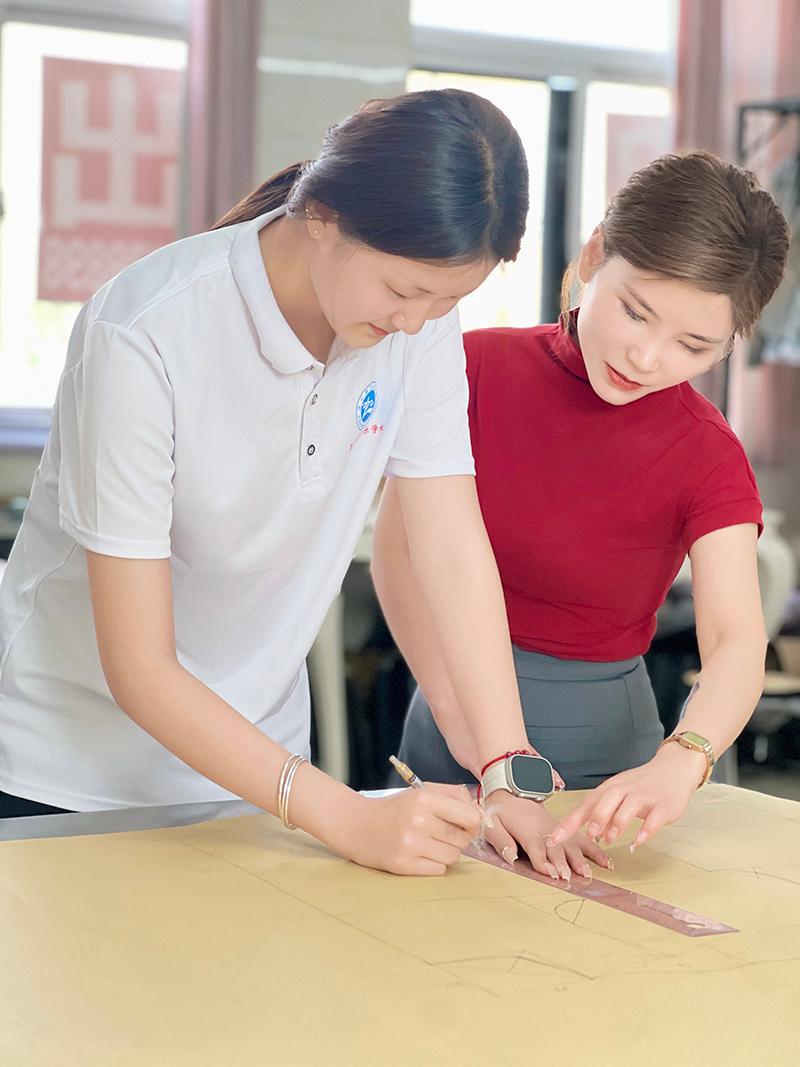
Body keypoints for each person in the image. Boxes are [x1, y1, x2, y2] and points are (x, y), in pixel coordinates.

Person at [0, 87, 549, 877]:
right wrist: (346, 814)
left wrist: (507, 767)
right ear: (322, 215)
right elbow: (140, 667)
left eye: (448, 300)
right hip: (73, 778)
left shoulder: (418, 324)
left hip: (260, 782)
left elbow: (453, 549)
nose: (416, 321)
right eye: (402, 292)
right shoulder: (145, 333)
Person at [374, 150, 790, 879]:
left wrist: (681, 761)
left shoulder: (707, 451)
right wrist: (469, 731)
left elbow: (735, 640)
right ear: (595, 255)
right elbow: (401, 557)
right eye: (635, 311)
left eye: (693, 345)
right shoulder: (468, 369)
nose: (647, 357)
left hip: (605, 760)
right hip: (445, 717)